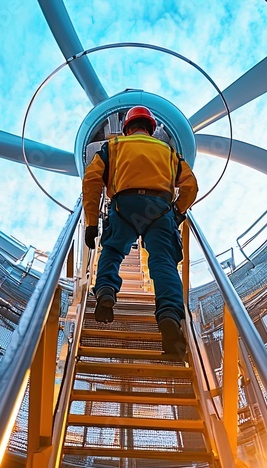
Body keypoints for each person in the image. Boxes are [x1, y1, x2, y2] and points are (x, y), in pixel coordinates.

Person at [81, 106, 199, 358]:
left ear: (126, 128)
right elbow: (190, 186)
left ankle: (105, 293)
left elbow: (91, 180)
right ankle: (168, 317)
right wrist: (177, 212)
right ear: (152, 128)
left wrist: (91, 222)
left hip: (125, 205)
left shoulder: (112, 148)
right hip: (160, 208)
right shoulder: (168, 151)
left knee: (112, 251)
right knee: (164, 263)